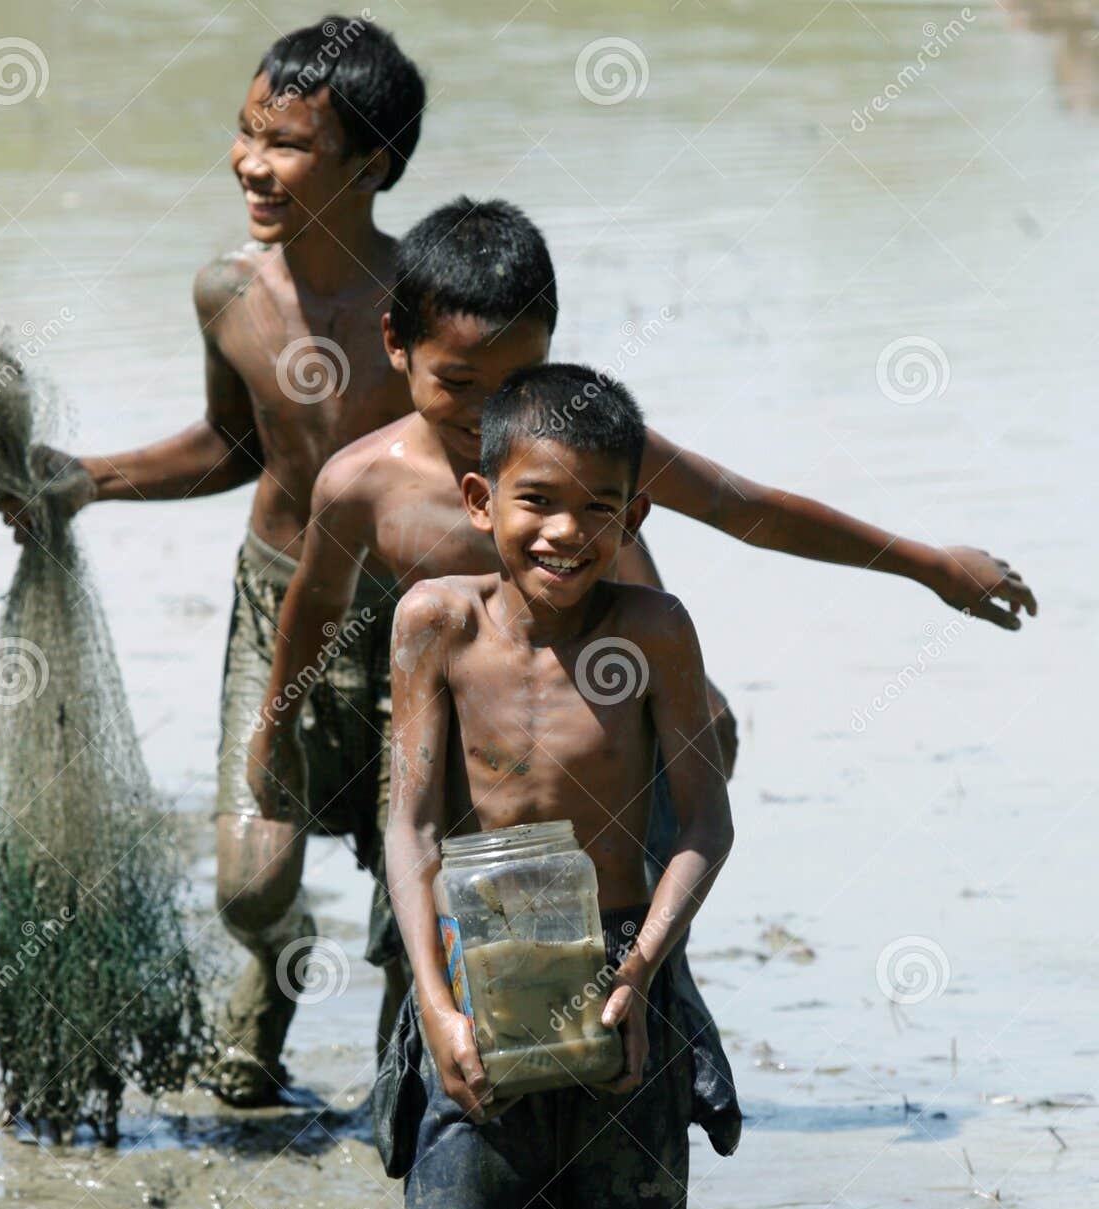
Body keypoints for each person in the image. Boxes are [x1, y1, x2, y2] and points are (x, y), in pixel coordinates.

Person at [245, 195, 1035, 959]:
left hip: (598, 724)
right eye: (459, 382)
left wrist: (929, 565)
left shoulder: (585, 440)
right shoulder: (363, 485)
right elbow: (316, 603)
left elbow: (744, 508)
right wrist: (276, 726)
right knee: (434, 947)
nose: (488, 412)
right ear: (396, 343)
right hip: (460, 745)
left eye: (514, 380)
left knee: (619, 934)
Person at [0, 16, 426, 1105]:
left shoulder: (429, 309)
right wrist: (88, 479)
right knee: (247, 883)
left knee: (414, 879)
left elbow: (527, 469)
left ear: (372, 163)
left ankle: (404, 1106)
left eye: (285, 145)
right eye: (244, 134)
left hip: (428, 609)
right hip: (282, 599)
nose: (251, 163)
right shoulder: (227, 294)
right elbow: (237, 446)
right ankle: (275, 972)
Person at [377, 364, 735, 1209]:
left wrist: (645, 971)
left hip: (620, 978)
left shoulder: (655, 632)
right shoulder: (438, 622)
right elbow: (413, 821)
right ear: (482, 499)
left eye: (600, 507)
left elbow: (705, 817)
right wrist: (435, 1005)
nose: (567, 532)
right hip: (481, 973)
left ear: (633, 516)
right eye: (539, 500)